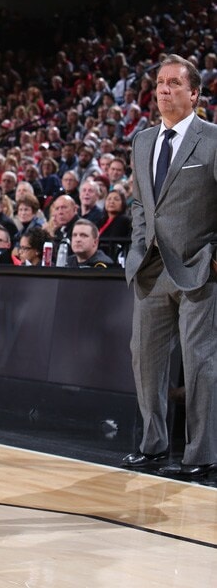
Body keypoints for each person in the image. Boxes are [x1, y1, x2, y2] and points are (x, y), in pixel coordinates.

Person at [122, 55, 217, 479]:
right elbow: (141, 201)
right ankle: (153, 445)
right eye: (160, 83)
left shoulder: (211, 139)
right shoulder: (142, 140)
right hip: (150, 268)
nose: (164, 90)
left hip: (199, 268)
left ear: (194, 93)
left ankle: (201, 454)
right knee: (144, 359)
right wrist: (140, 244)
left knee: (199, 363)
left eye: (175, 83)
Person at [97, 188, 132, 261]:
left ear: (122, 203)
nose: (111, 202)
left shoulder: (123, 220)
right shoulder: (101, 220)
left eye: (116, 199)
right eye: (109, 199)